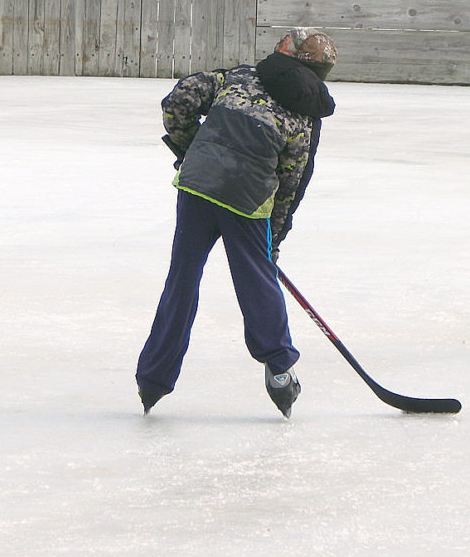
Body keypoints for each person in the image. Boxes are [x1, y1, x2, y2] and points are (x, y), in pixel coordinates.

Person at [136, 28, 337, 417]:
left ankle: (152, 379)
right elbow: (291, 183)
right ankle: (279, 370)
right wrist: (273, 241)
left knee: (182, 279)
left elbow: (181, 97)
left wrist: (190, 149)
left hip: (197, 186)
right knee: (255, 278)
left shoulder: (241, 76)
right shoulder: (306, 118)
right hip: (246, 200)